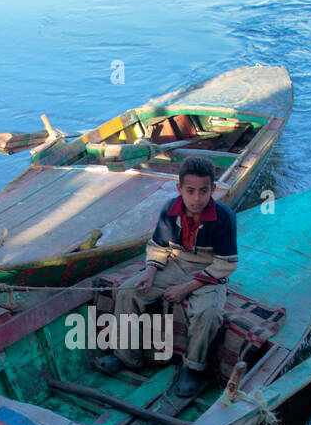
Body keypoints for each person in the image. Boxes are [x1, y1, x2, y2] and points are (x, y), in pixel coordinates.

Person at [95, 155, 237, 397]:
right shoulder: (170, 209)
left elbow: (225, 264)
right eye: (190, 191)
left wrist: (185, 289)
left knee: (208, 313)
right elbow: (159, 247)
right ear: (179, 188)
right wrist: (150, 271)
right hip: (175, 263)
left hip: (208, 272)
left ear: (212, 189)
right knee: (129, 291)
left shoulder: (223, 217)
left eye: (203, 191)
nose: (196, 198)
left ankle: (193, 368)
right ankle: (126, 355)